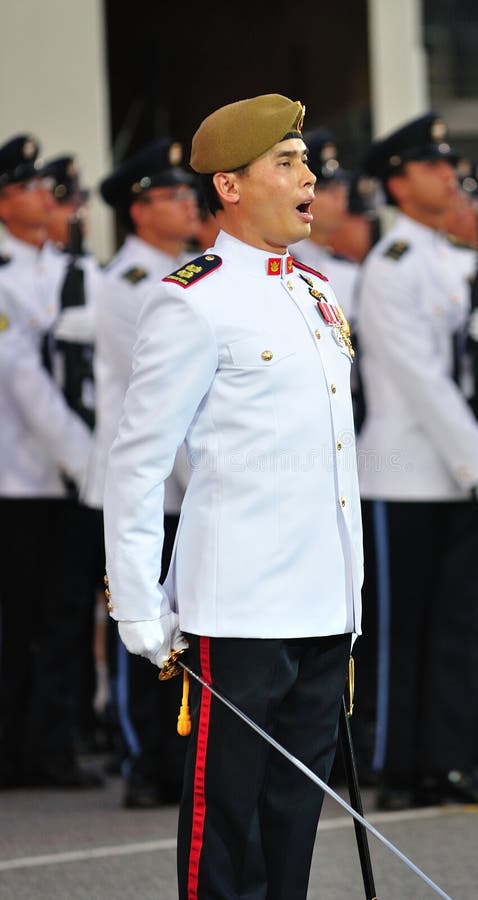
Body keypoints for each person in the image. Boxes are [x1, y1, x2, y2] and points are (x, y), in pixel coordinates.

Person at [102, 94, 362, 900]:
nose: (307, 175)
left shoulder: (315, 292)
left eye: (305, 161)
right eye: (284, 162)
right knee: (229, 829)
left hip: (324, 602)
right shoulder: (194, 300)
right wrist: (139, 605)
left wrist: (351, 595)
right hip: (242, 607)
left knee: (292, 823)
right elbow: (138, 461)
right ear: (230, 186)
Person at [355, 113, 478, 810]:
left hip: (454, 474)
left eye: (447, 164)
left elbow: (474, 374)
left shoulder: (453, 261)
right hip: (406, 475)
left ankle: (448, 762)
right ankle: (395, 767)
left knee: (458, 625)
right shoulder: (391, 265)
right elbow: (421, 381)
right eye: (430, 165)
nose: (447, 174)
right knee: (399, 633)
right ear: (397, 181)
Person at [85, 138, 200, 806]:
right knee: (141, 612)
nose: (189, 203)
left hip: (183, 482)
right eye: (172, 194)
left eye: (188, 192)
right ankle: (141, 759)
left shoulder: (185, 273)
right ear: (138, 209)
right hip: (150, 483)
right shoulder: (129, 284)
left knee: (184, 619)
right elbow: (157, 404)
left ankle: (173, 754)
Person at [0, 134, 101, 788]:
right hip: (18, 476)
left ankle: (55, 747)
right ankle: (10, 750)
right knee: (15, 623)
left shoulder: (77, 273)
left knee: (67, 616)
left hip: (76, 478)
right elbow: (24, 380)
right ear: (5, 201)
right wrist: (80, 456)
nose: (48, 198)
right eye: (33, 188)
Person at [292, 130, 360, 323]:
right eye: (328, 189)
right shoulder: (282, 263)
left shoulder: (346, 266)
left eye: (341, 187)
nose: (341, 197)